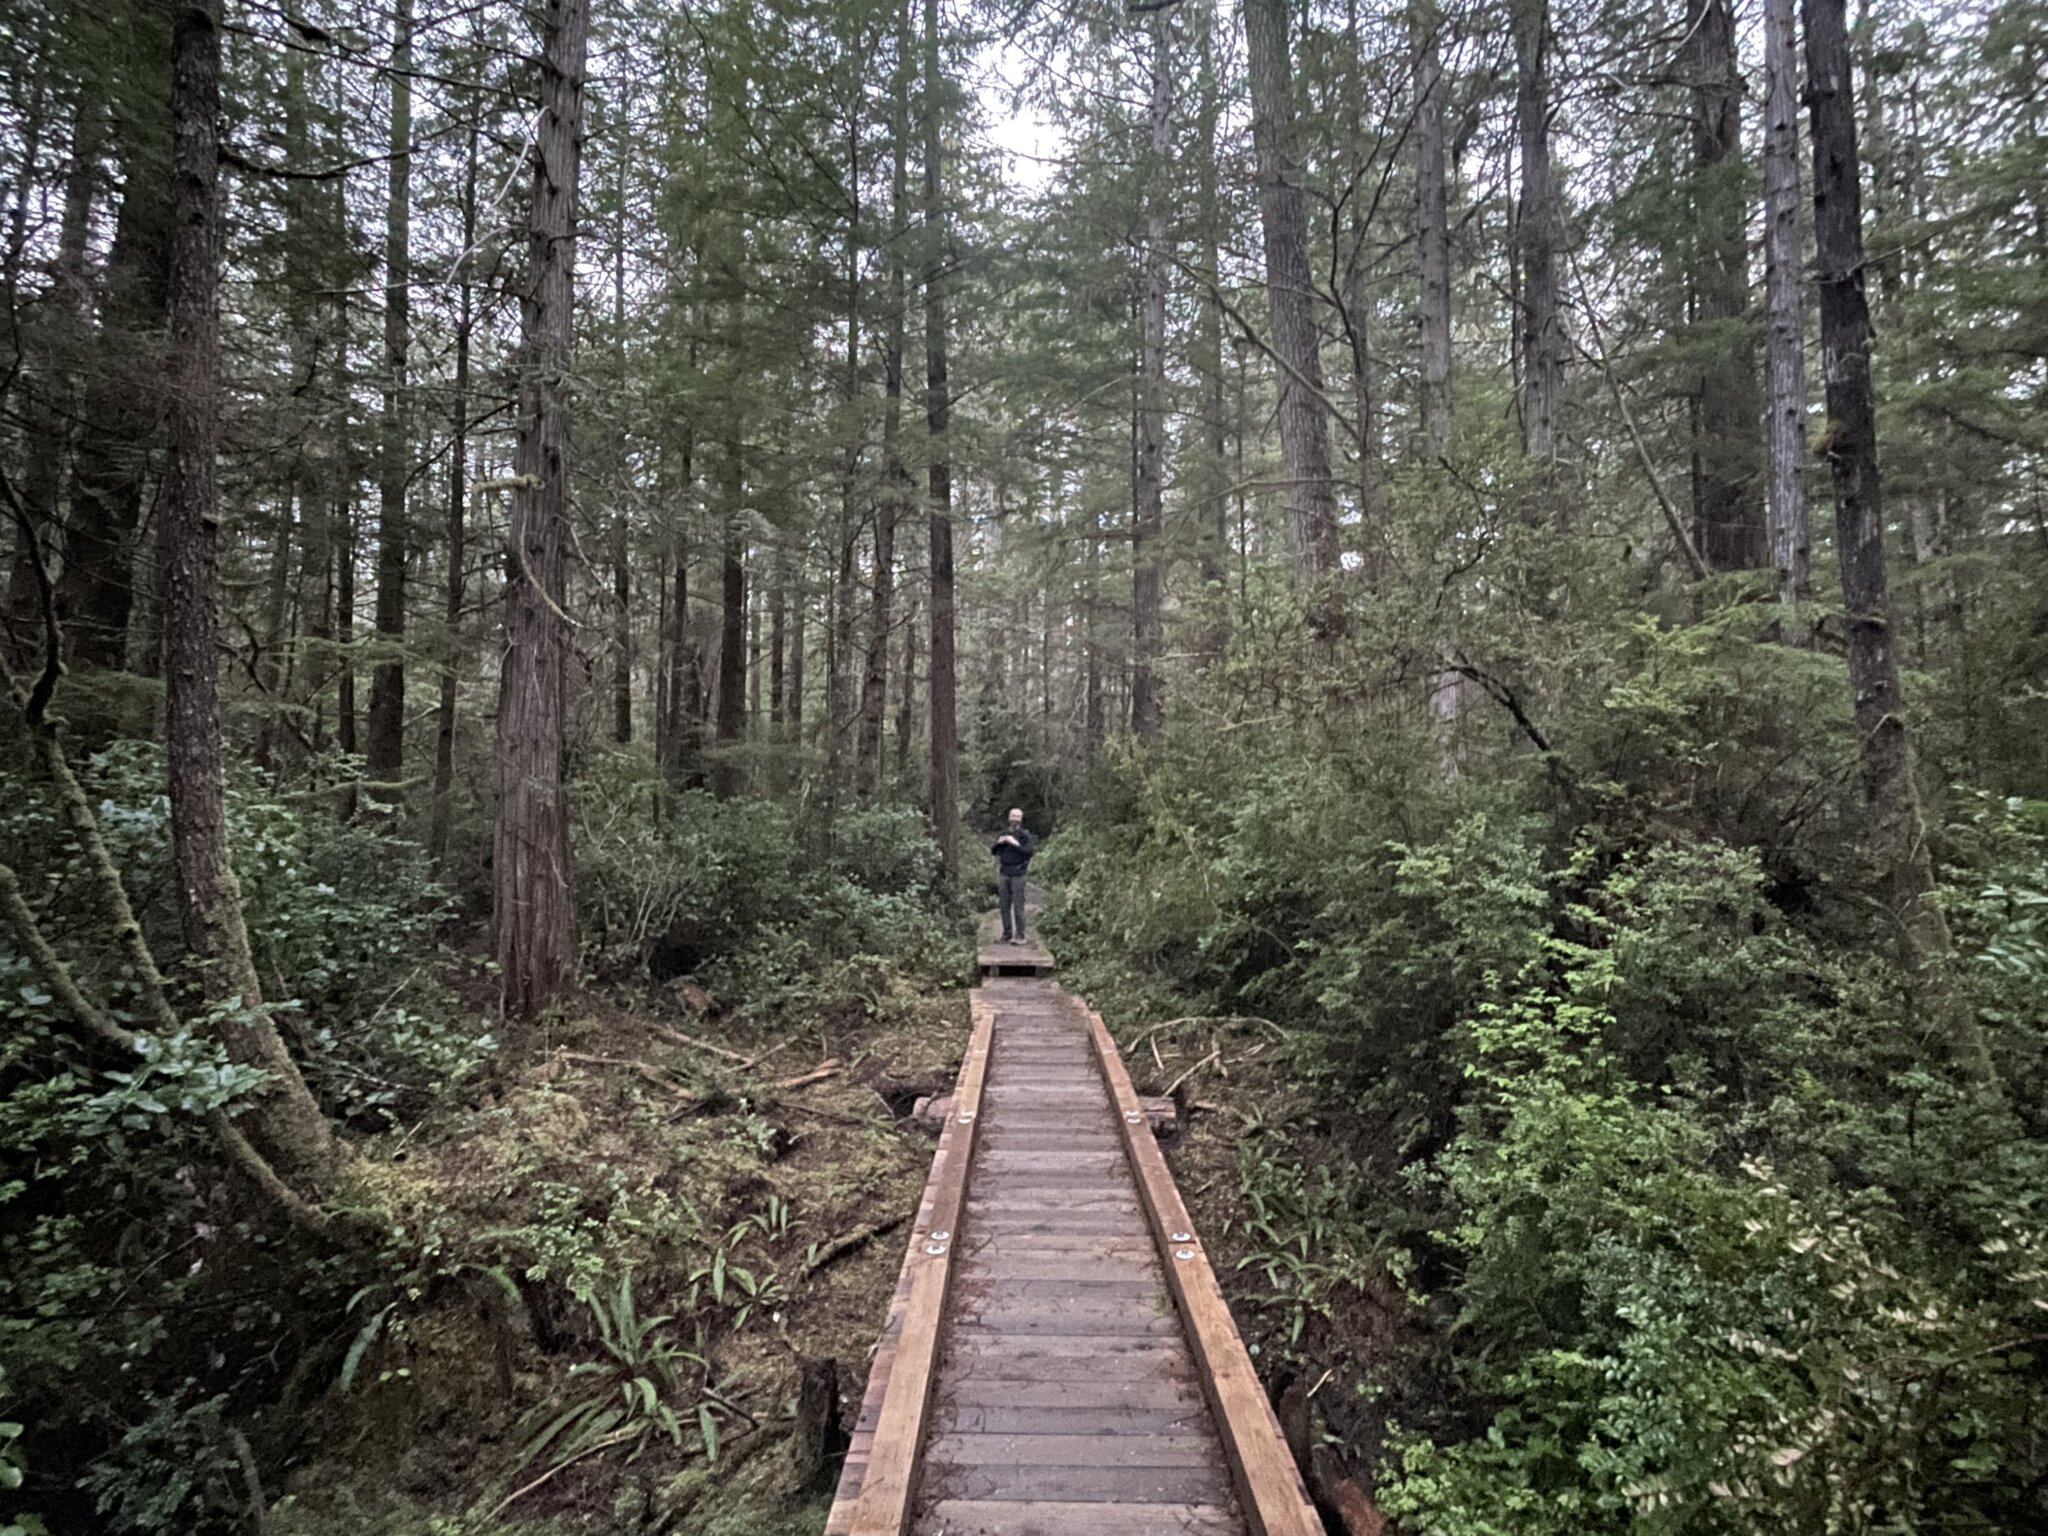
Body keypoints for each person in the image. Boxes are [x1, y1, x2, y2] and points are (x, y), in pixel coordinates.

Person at [992, 808, 1036, 944]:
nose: (1015, 818)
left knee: (1018, 905)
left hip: (1018, 873)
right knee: (1004, 905)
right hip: (1004, 873)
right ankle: (1006, 934)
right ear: (1009, 818)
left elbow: (1028, 852)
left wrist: (1015, 843)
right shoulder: (1004, 833)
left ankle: (1020, 935)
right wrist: (999, 843)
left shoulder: (1025, 835)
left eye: (1017, 816)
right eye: (1013, 816)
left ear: (1021, 819)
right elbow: (994, 851)